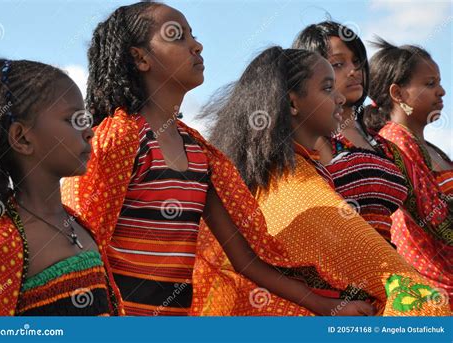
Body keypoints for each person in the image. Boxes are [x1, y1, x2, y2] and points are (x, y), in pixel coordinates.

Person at [61, 2, 375, 316]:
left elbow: (248, 260)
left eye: (192, 35)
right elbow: (78, 247)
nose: (196, 45)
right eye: (177, 36)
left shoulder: (200, 153)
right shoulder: (117, 138)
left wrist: (326, 306)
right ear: (140, 57)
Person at [201, 46, 450, 316]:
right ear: (293, 103)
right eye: (328, 88)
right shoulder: (295, 185)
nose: (340, 98)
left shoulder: (305, 167)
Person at [0, 59, 124, 316]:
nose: (89, 132)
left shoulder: (79, 224)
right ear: (22, 138)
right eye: (72, 120)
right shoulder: (0, 247)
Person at [293, 21, 408, 244]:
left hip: (387, 263)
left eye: (357, 61)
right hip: (342, 265)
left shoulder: (379, 141)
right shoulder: (314, 136)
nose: (353, 71)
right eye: (337, 64)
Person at [365, 38, 452, 310]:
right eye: (429, 84)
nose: (442, 91)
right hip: (436, 293)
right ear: (398, 94)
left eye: (438, 82)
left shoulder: (427, 147)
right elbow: (434, 219)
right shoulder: (395, 143)